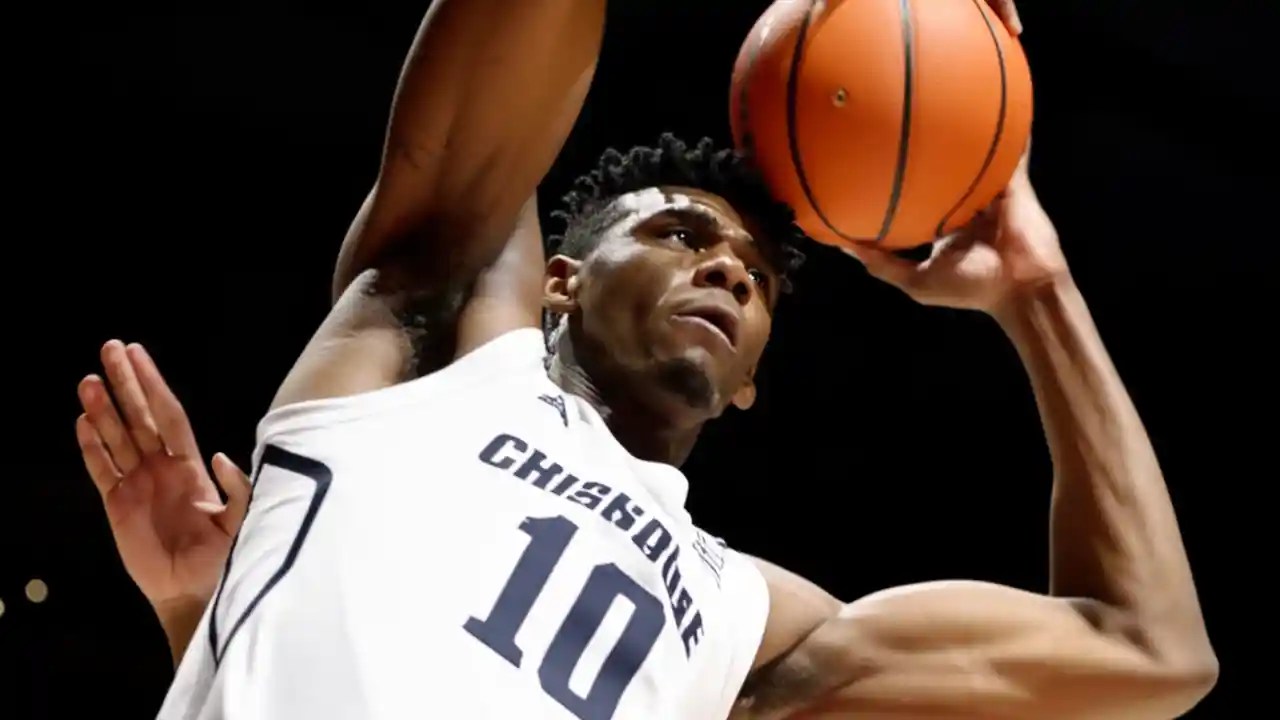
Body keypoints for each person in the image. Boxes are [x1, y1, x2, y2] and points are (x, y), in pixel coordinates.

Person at [75, 0, 1218, 718]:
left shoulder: (751, 622)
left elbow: (1150, 654)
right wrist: (203, 622)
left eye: (756, 280)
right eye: (679, 234)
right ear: (559, 281)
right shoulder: (428, 343)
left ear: (751, 382)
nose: (726, 270)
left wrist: (1036, 291)